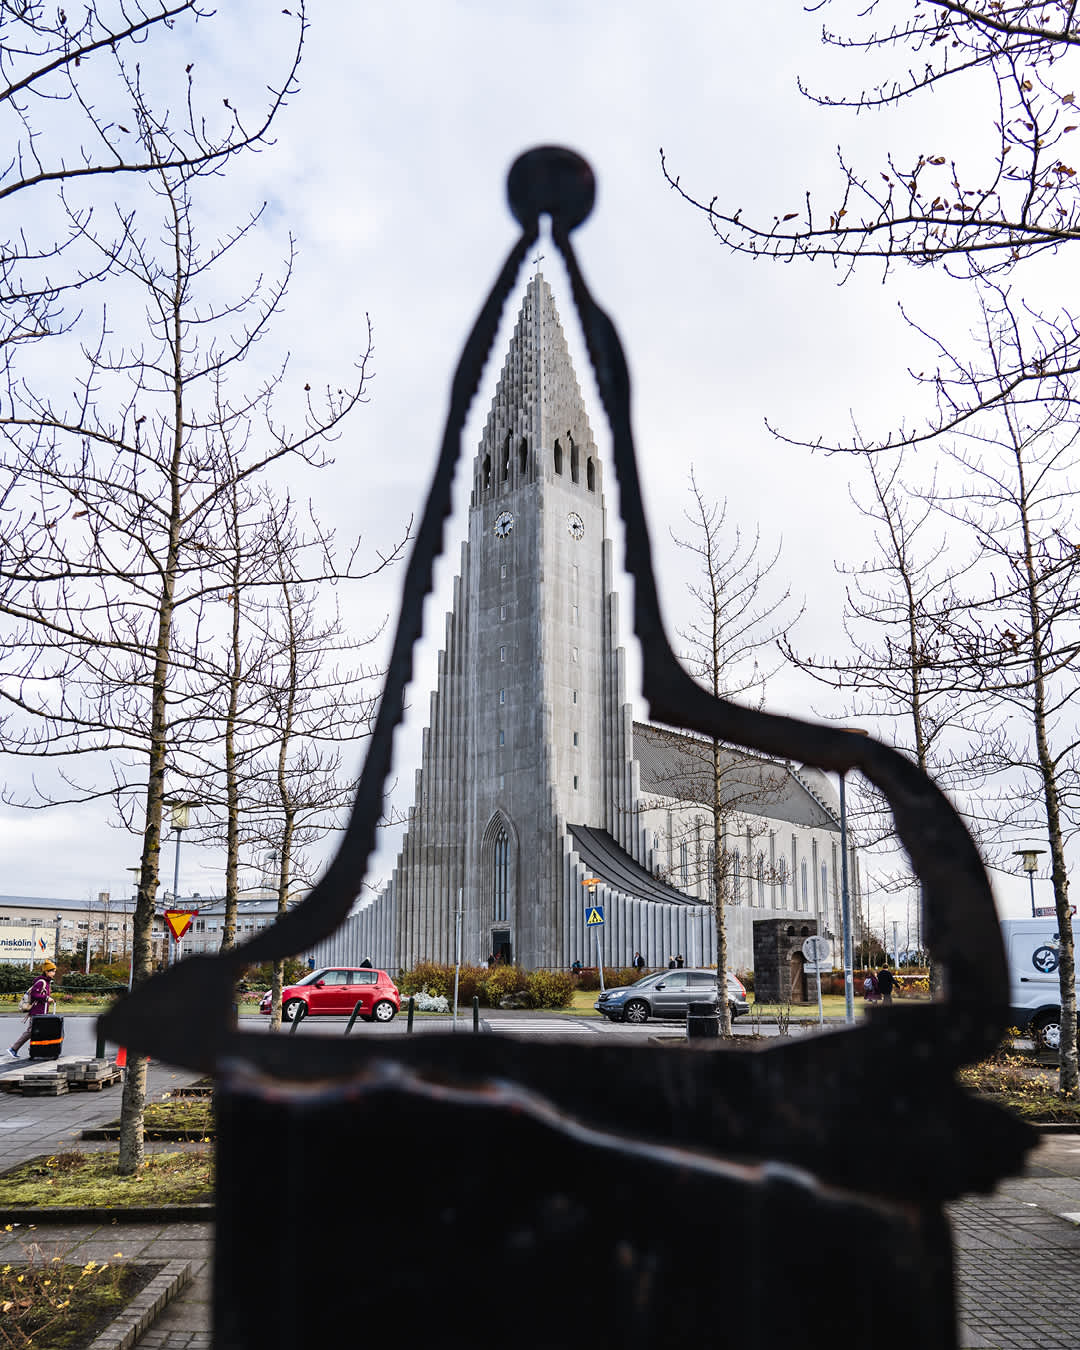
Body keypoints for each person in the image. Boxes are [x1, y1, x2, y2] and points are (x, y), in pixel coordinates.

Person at [8, 960, 56, 1059]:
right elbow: (34, 995)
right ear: (47, 972)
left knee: (38, 1032)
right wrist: (46, 998)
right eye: (52, 971)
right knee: (31, 1032)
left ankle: (35, 1051)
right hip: (36, 1012)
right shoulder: (41, 982)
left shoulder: (47, 982)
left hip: (42, 1012)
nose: (54, 973)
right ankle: (13, 1049)